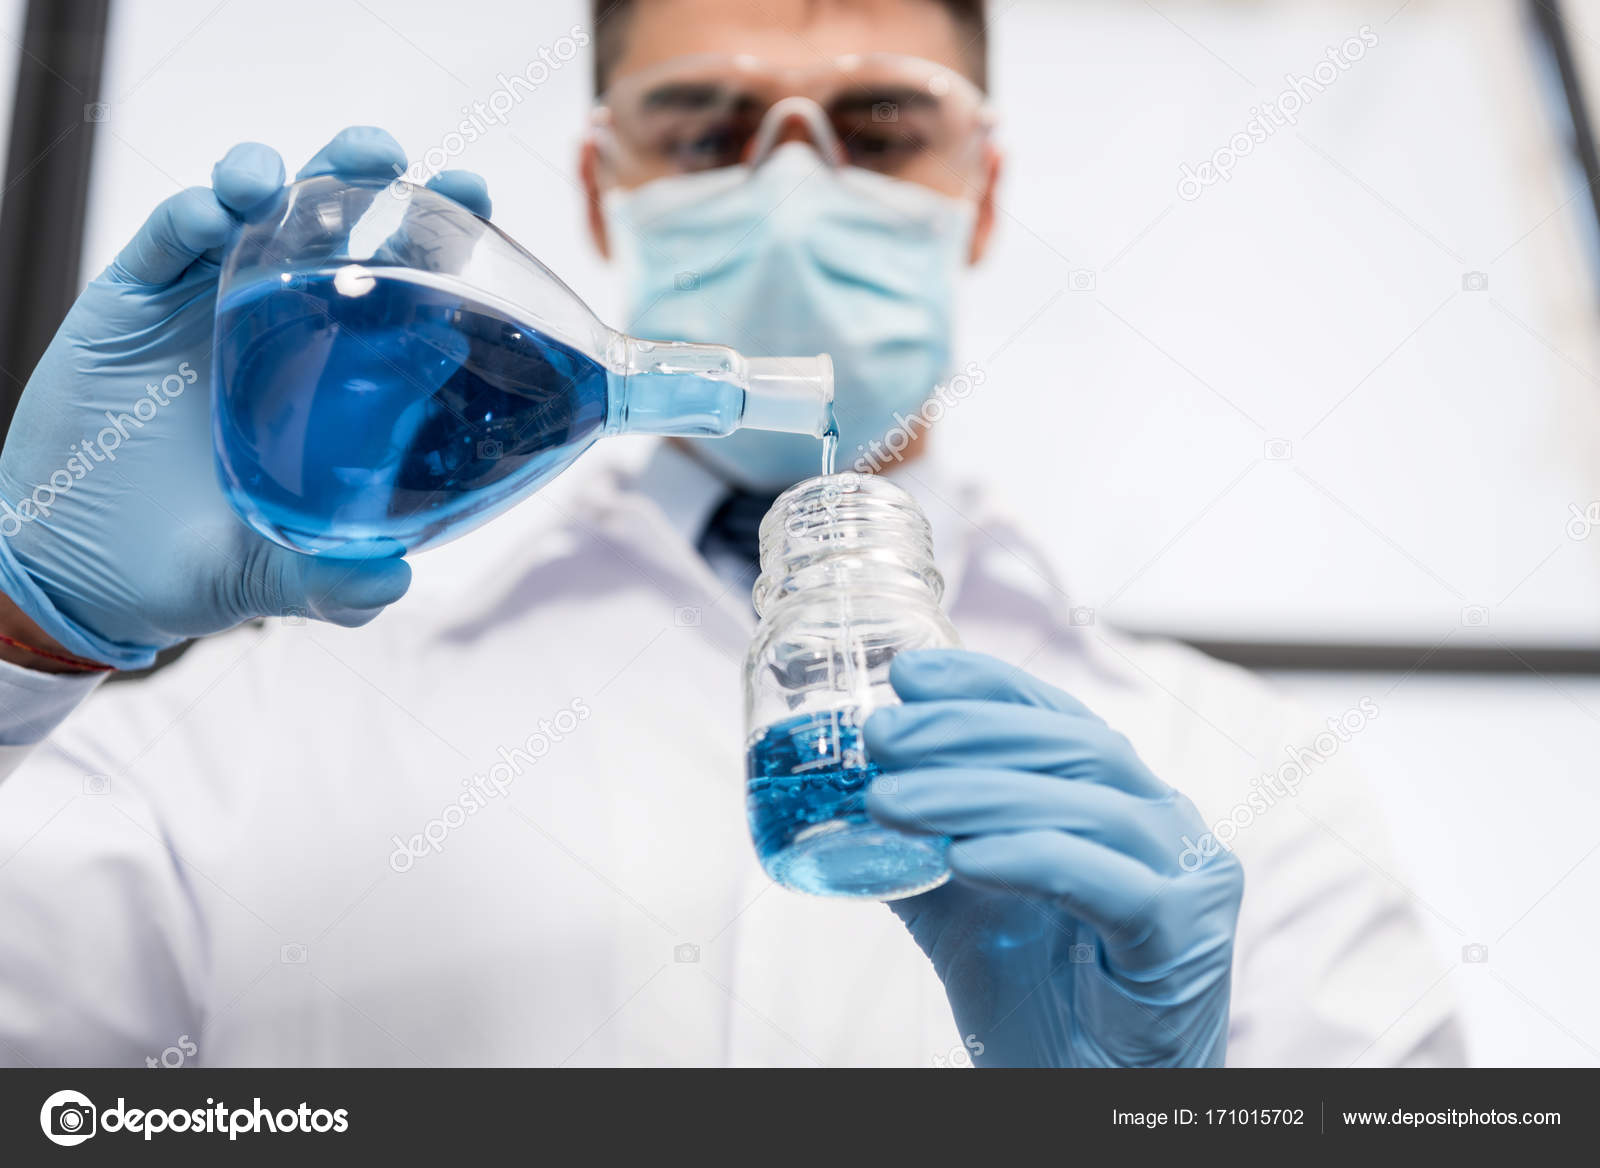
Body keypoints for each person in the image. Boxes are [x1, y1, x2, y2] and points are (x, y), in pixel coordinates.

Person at [0, 0, 1463, 1067]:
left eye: (882, 127)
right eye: (707, 126)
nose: (792, 184)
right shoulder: (239, 742)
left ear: (982, 189)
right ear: (600, 182)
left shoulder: (1252, 789)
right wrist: (28, 627)